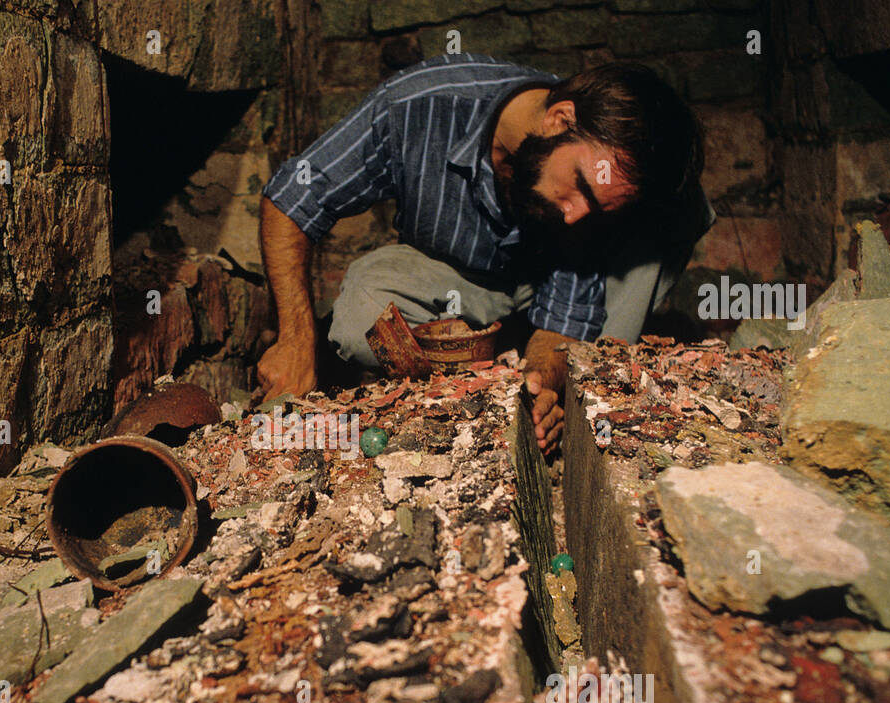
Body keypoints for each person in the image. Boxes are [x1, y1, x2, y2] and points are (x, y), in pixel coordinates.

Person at [257, 54, 714, 454]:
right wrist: (295, 338)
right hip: (454, 273)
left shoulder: (580, 201)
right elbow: (293, 197)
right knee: (360, 323)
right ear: (559, 118)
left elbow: (567, 314)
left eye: (594, 208)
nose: (576, 216)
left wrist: (541, 383)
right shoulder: (420, 105)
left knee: (680, 213)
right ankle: (480, 370)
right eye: (580, 188)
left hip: (541, 280)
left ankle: (583, 390)